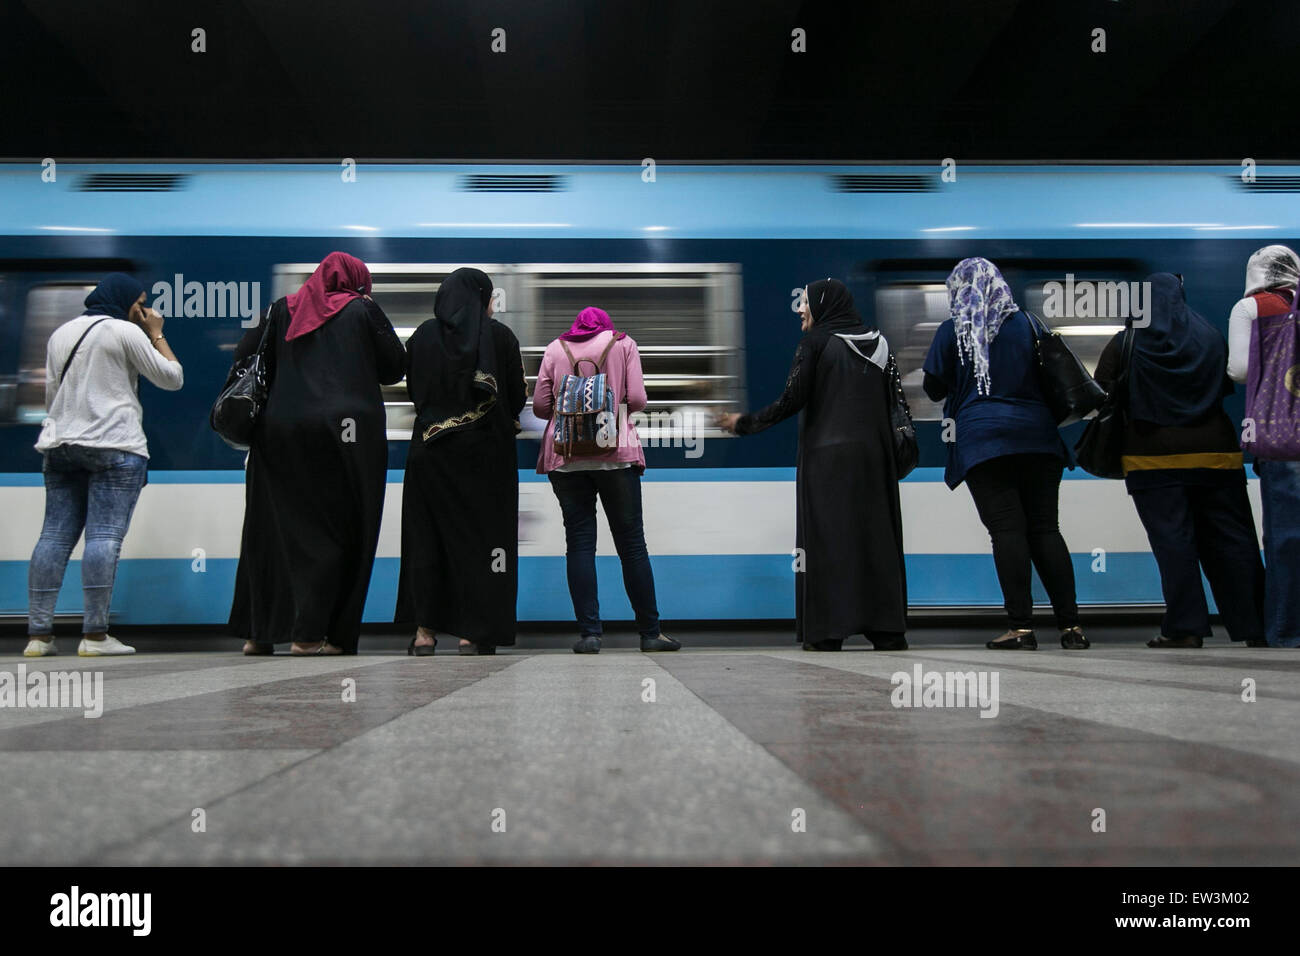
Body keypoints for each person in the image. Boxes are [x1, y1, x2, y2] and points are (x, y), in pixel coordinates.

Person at [229, 252, 406, 656]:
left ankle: (259, 634)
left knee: (270, 531)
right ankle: (310, 635)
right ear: (357, 280)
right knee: (335, 531)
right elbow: (394, 368)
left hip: (279, 434)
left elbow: (245, 354)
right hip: (345, 436)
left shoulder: (280, 310)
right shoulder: (363, 310)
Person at [718, 279, 908, 651]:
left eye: (805, 303)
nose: (801, 309)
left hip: (828, 460)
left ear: (823, 304)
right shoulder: (881, 344)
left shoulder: (815, 343)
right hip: (875, 459)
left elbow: (792, 399)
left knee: (827, 542)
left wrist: (745, 423)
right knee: (878, 539)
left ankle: (829, 630)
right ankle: (887, 629)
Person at [922, 257, 1087, 650]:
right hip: (1039, 439)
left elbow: (932, 388)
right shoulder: (1030, 325)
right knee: (1046, 529)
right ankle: (1072, 628)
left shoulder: (953, 331)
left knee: (1007, 532)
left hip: (984, 442)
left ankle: (1021, 629)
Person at [1094, 273, 1265, 649]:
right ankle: (1255, 625)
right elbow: (1225, 385)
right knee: (1232, 542)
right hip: (1216, 455)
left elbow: (1102, 391)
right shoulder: (1209, 336)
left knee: (1174, 544)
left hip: (1151, 458)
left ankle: (1186, 627)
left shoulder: (1128, 341)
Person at [24, 274, 183, 658]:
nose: (144, 311)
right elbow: (172, 378)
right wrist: (156, 333)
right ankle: (95, 636)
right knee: (103, 538)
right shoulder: (124, 332)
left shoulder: (60, 334)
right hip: (115, 445)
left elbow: (51, 396)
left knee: (53, 537)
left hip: (61, 445)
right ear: (128, 303)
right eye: (141, 303)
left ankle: (38, 636)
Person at [533, 306, 679, 654]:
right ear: (605, 326)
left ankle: (590, 634)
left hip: (566, 457)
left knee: (580, 543)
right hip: (616, 454)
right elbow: (639, 400)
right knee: (631, 544)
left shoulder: (555, 348)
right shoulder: (623, 344)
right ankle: (649, 633)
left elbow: (540, 407)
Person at [396, 268, 526, 655]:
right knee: (483, 545)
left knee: (426, 541)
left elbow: (415, 392)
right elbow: (516, 397)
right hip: (485, 456)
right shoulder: (500, 336)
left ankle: (424, 634)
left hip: (430, 454)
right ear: (483, 297)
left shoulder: (421, 336)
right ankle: (473, 633)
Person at [1227, 245, 1300, 647]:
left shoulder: (1253, 307)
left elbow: (1238, 369)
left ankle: (1288, 630)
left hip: (1284, 439)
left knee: (1287, 538)